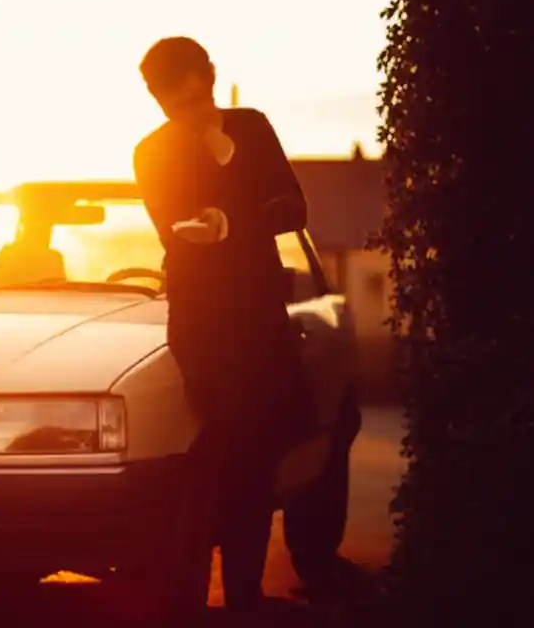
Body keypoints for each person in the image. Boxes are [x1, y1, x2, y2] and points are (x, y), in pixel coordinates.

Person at [132, 36, 362, 618]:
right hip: (203, 324)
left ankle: (248, 592)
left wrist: (226, 170)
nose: (188, 113)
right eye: (173, 104)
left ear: (211, 78)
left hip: (260, 319)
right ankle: (218, 592)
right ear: (156, 100)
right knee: (234, 452)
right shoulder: (151, 151)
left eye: (195, 98)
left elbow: (294, 208)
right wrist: (223, 219)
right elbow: (172, 227)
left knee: (266, 453)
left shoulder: (252, 128)